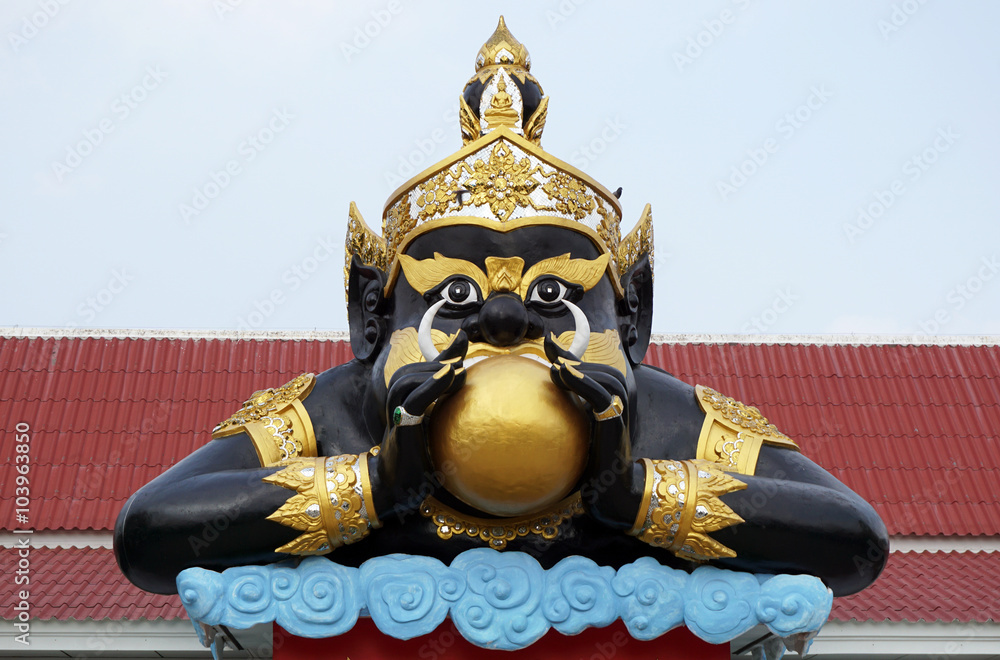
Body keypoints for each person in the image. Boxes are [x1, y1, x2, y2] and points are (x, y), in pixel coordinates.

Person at [115, 17, 887, 598]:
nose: (506, 323)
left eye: (555, 294)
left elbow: (856, 541)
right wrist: (379, 486)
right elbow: (148, 534)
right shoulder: (334, 419)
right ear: (371, 320)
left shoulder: (658, 421)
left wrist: (632, 494)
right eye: (455, 295)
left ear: (632, 321)